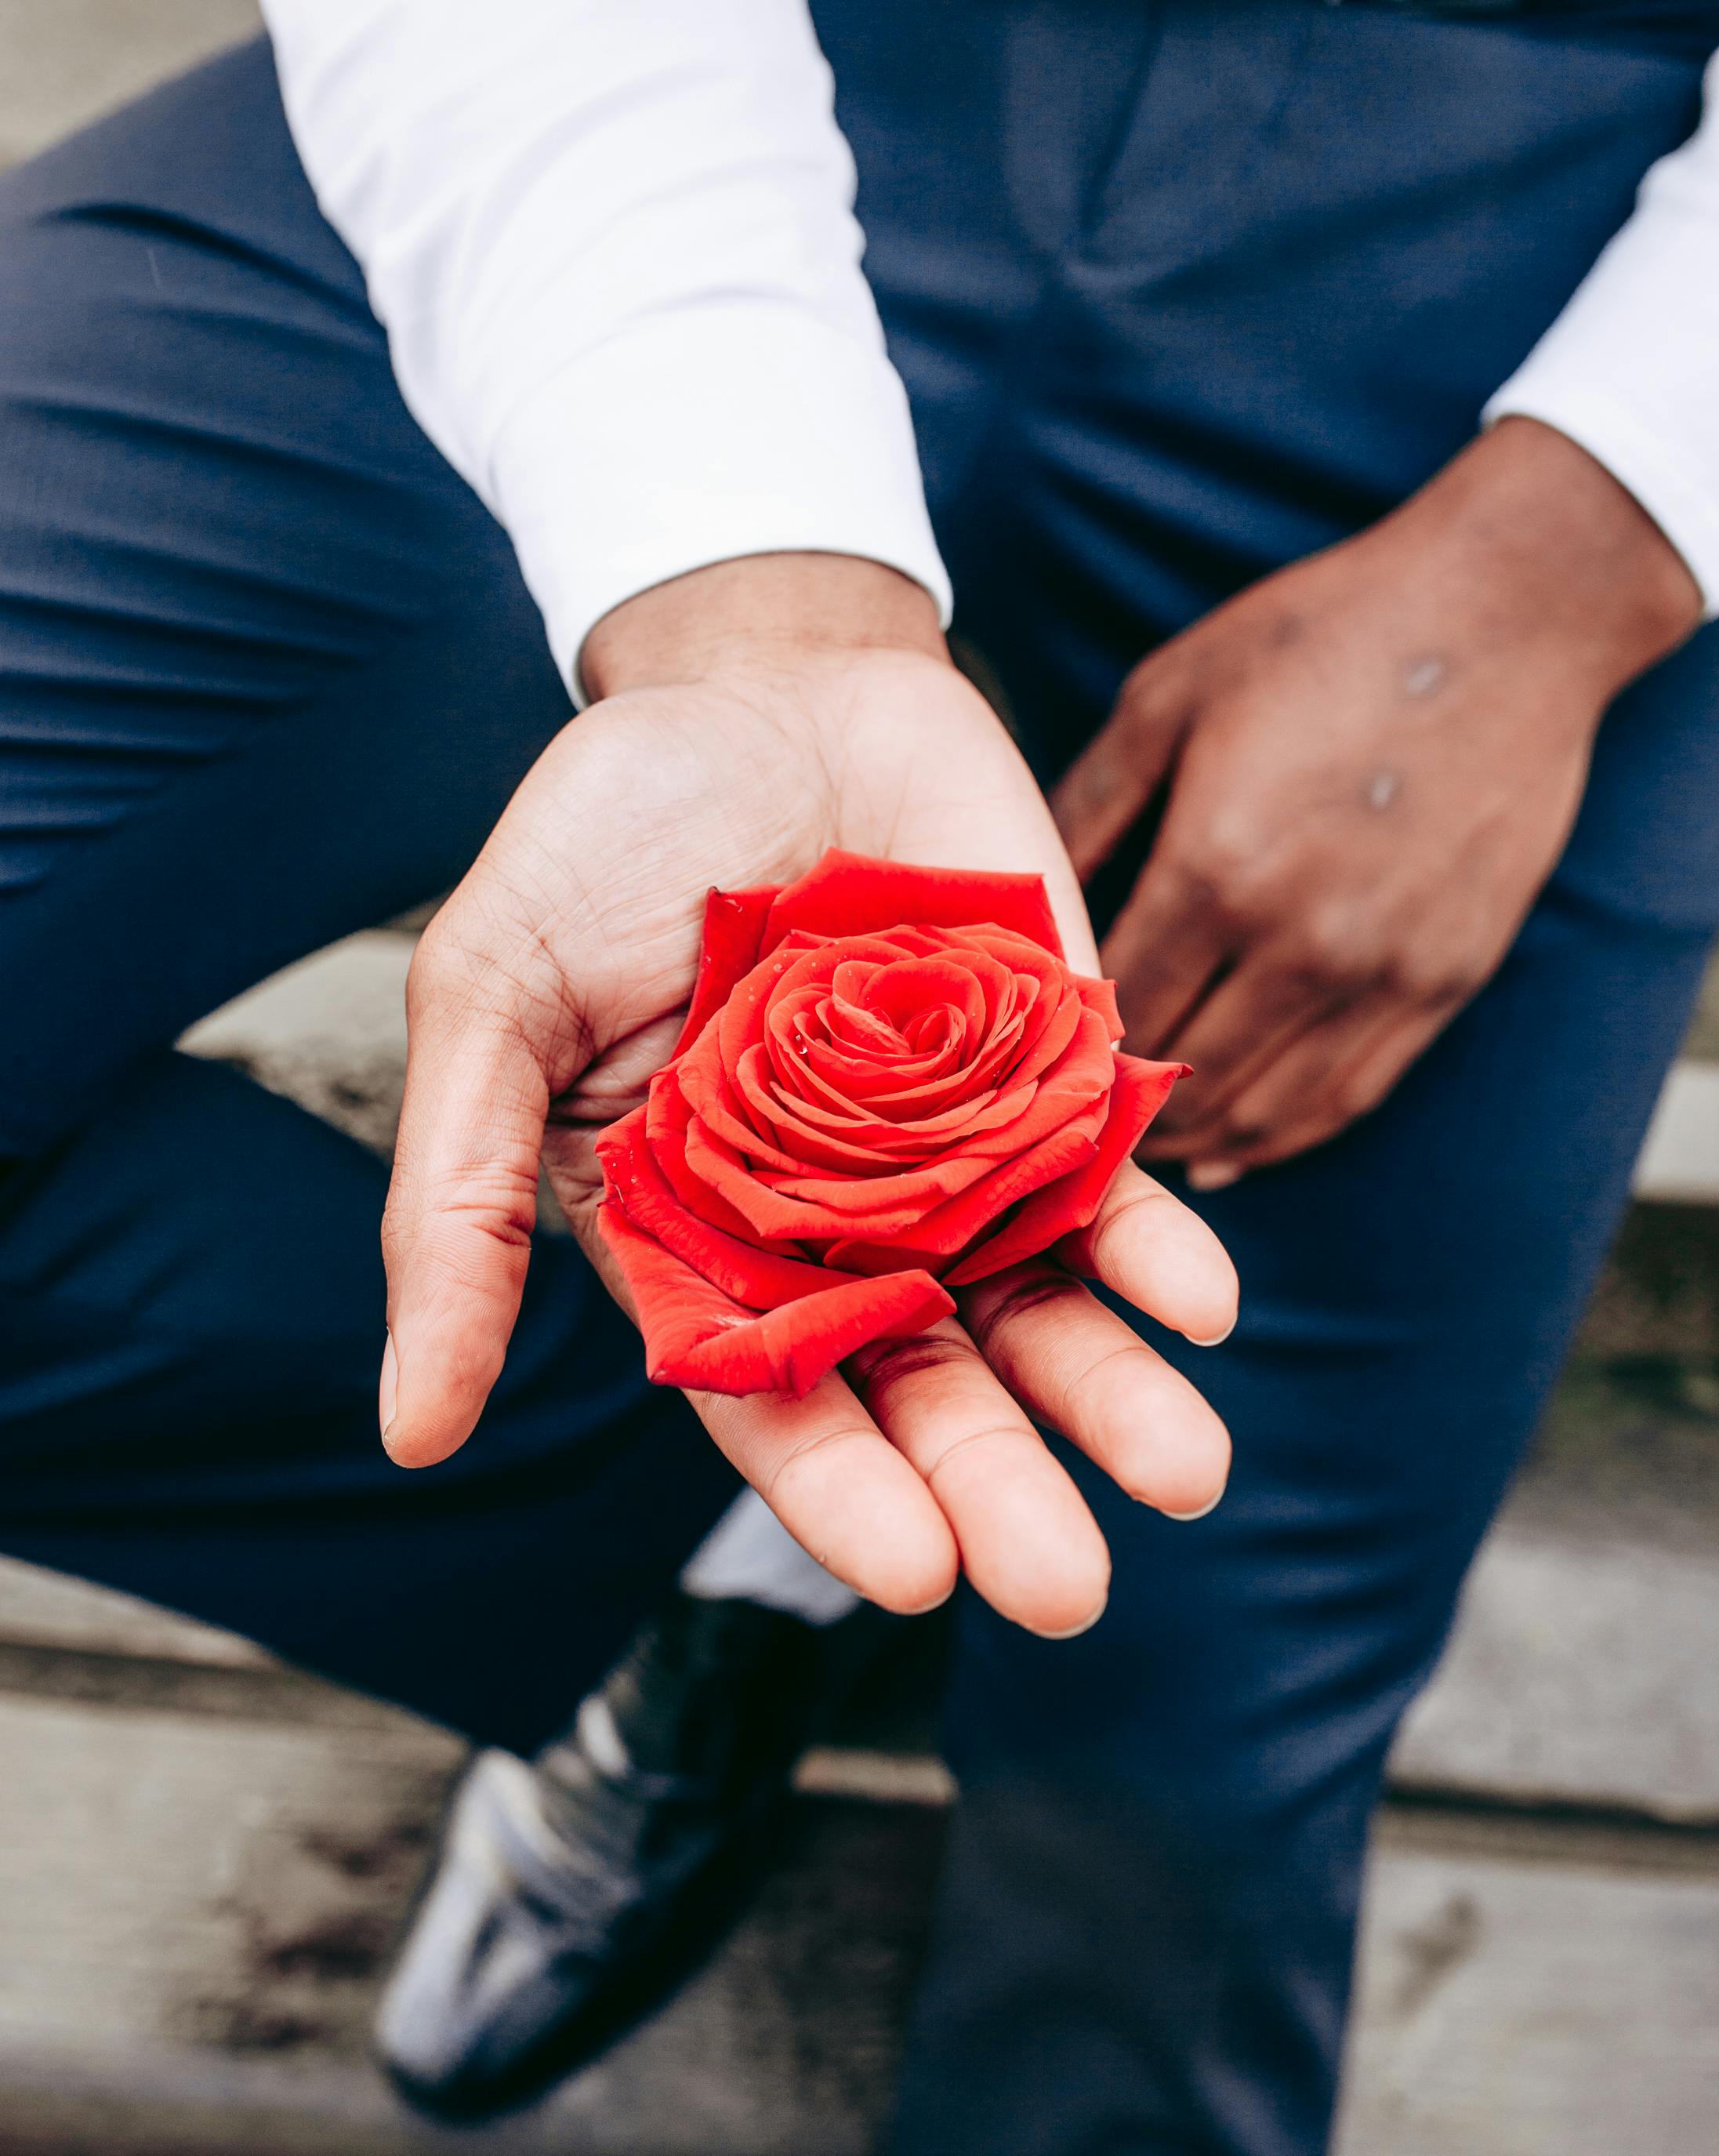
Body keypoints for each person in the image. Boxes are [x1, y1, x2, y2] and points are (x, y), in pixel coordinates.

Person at [2, 1, 1717, 2149]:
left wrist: (1586, 541)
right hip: (661, 81)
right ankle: (680, 1542)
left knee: (1182, 1746)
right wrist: (756, 607)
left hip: (1564, 221)